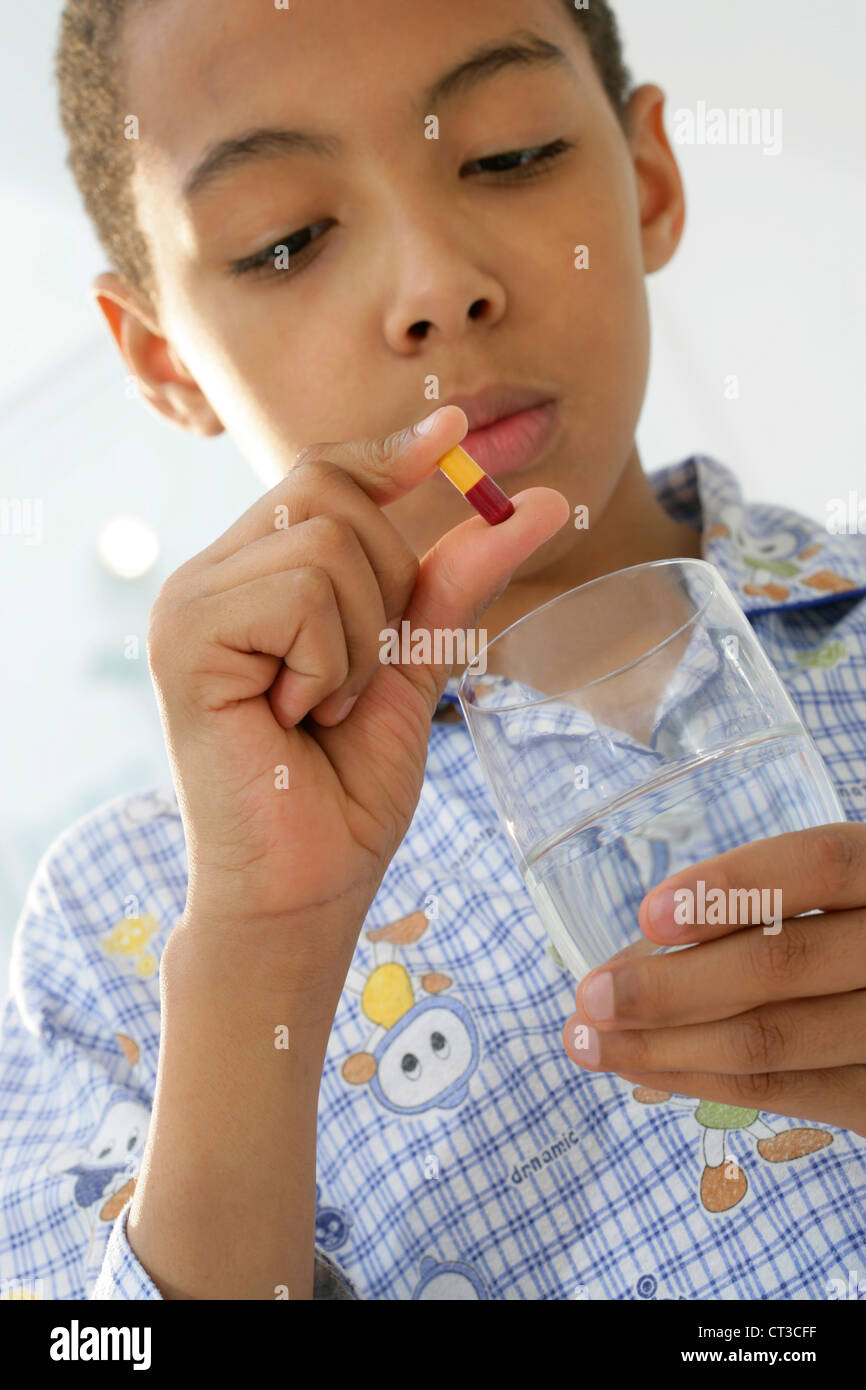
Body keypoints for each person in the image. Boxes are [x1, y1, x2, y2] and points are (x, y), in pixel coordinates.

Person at [1, 0, 864, 1302]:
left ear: (646, 183)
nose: (434, 288)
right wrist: (263, 956)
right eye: (286, 241)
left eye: (507, 156)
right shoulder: (110, 932)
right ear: (165, 362)